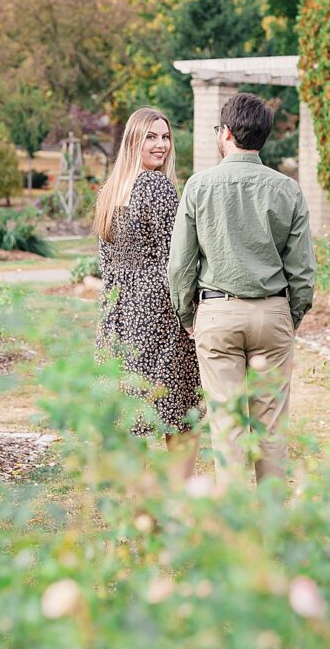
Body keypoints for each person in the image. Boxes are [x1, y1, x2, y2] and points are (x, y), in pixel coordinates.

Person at [168, 92, 315, 489]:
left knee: (227, 425)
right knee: (270, 426)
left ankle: (235, 531)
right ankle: (270, 523)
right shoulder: (288, 189)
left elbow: (180, 264)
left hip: (217, 312)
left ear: (226, 133)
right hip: (272, 312)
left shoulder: (199, 186)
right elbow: (302, 270)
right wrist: (290, 315)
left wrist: (187, 315)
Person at [94, 107, 203, 481]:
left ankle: (138, 508)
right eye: (151, 137)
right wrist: (190, 309)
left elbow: (105, 263)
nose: (161, 145)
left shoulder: (110, 192)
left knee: (131, 416)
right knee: (181, 413)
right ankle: (179, 505)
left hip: (119, 315)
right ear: (133, 142)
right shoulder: (156, 186)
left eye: (165, 136)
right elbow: (180, 256)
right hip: (158, 312)